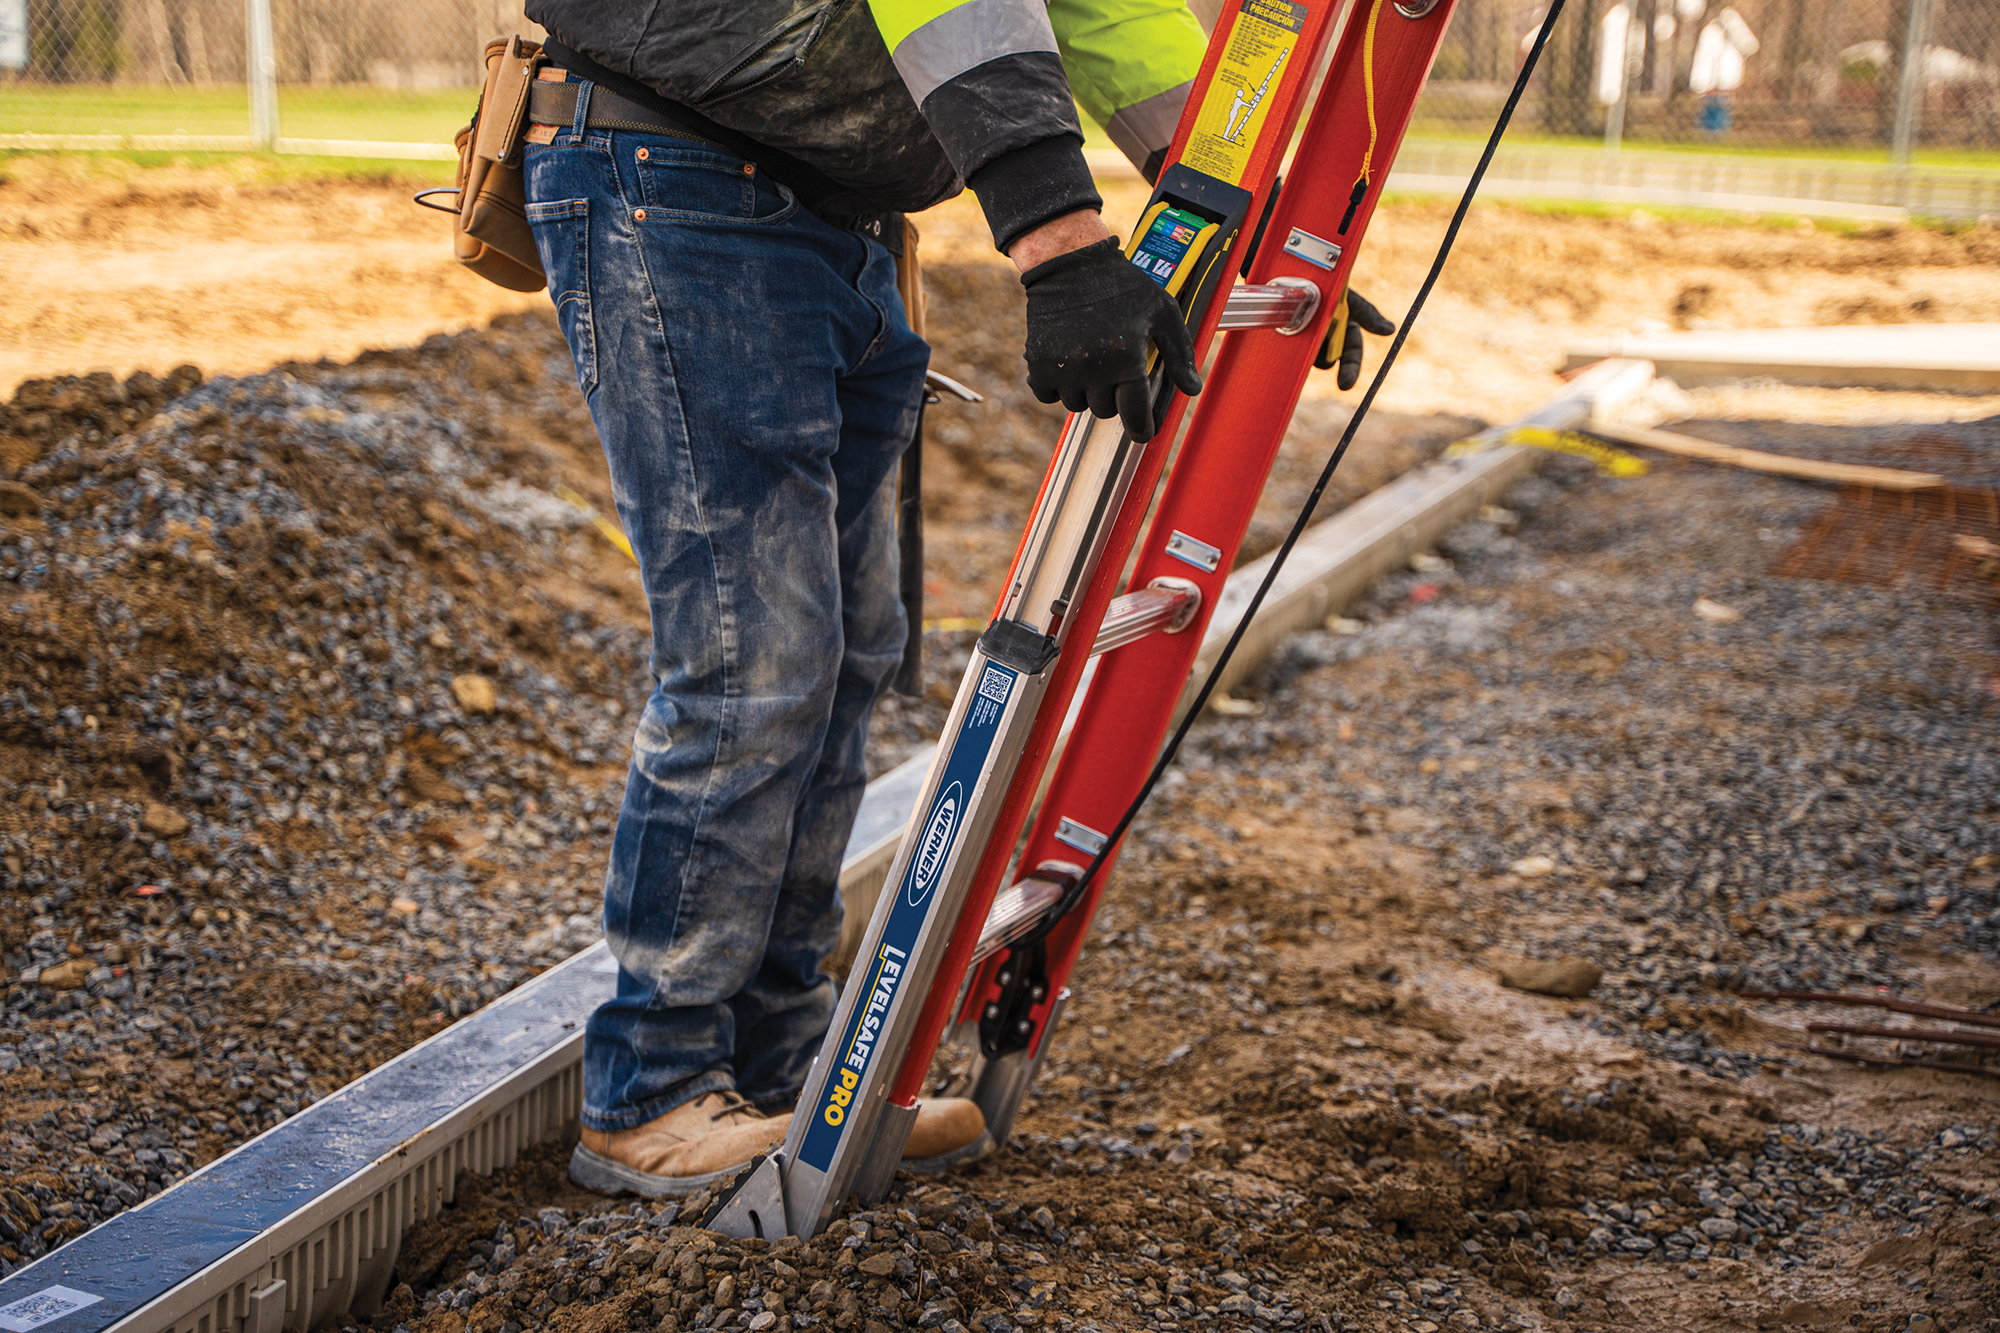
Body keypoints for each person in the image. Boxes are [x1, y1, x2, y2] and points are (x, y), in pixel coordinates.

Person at [516, 0, 1391, 1197]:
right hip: (678, 179)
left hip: (822, 208)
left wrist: (1256, 218)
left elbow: (1105, 10)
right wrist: (1059, 238)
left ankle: (776, 1069)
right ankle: (651, 1091)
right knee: (750, 659)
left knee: (844, 652)